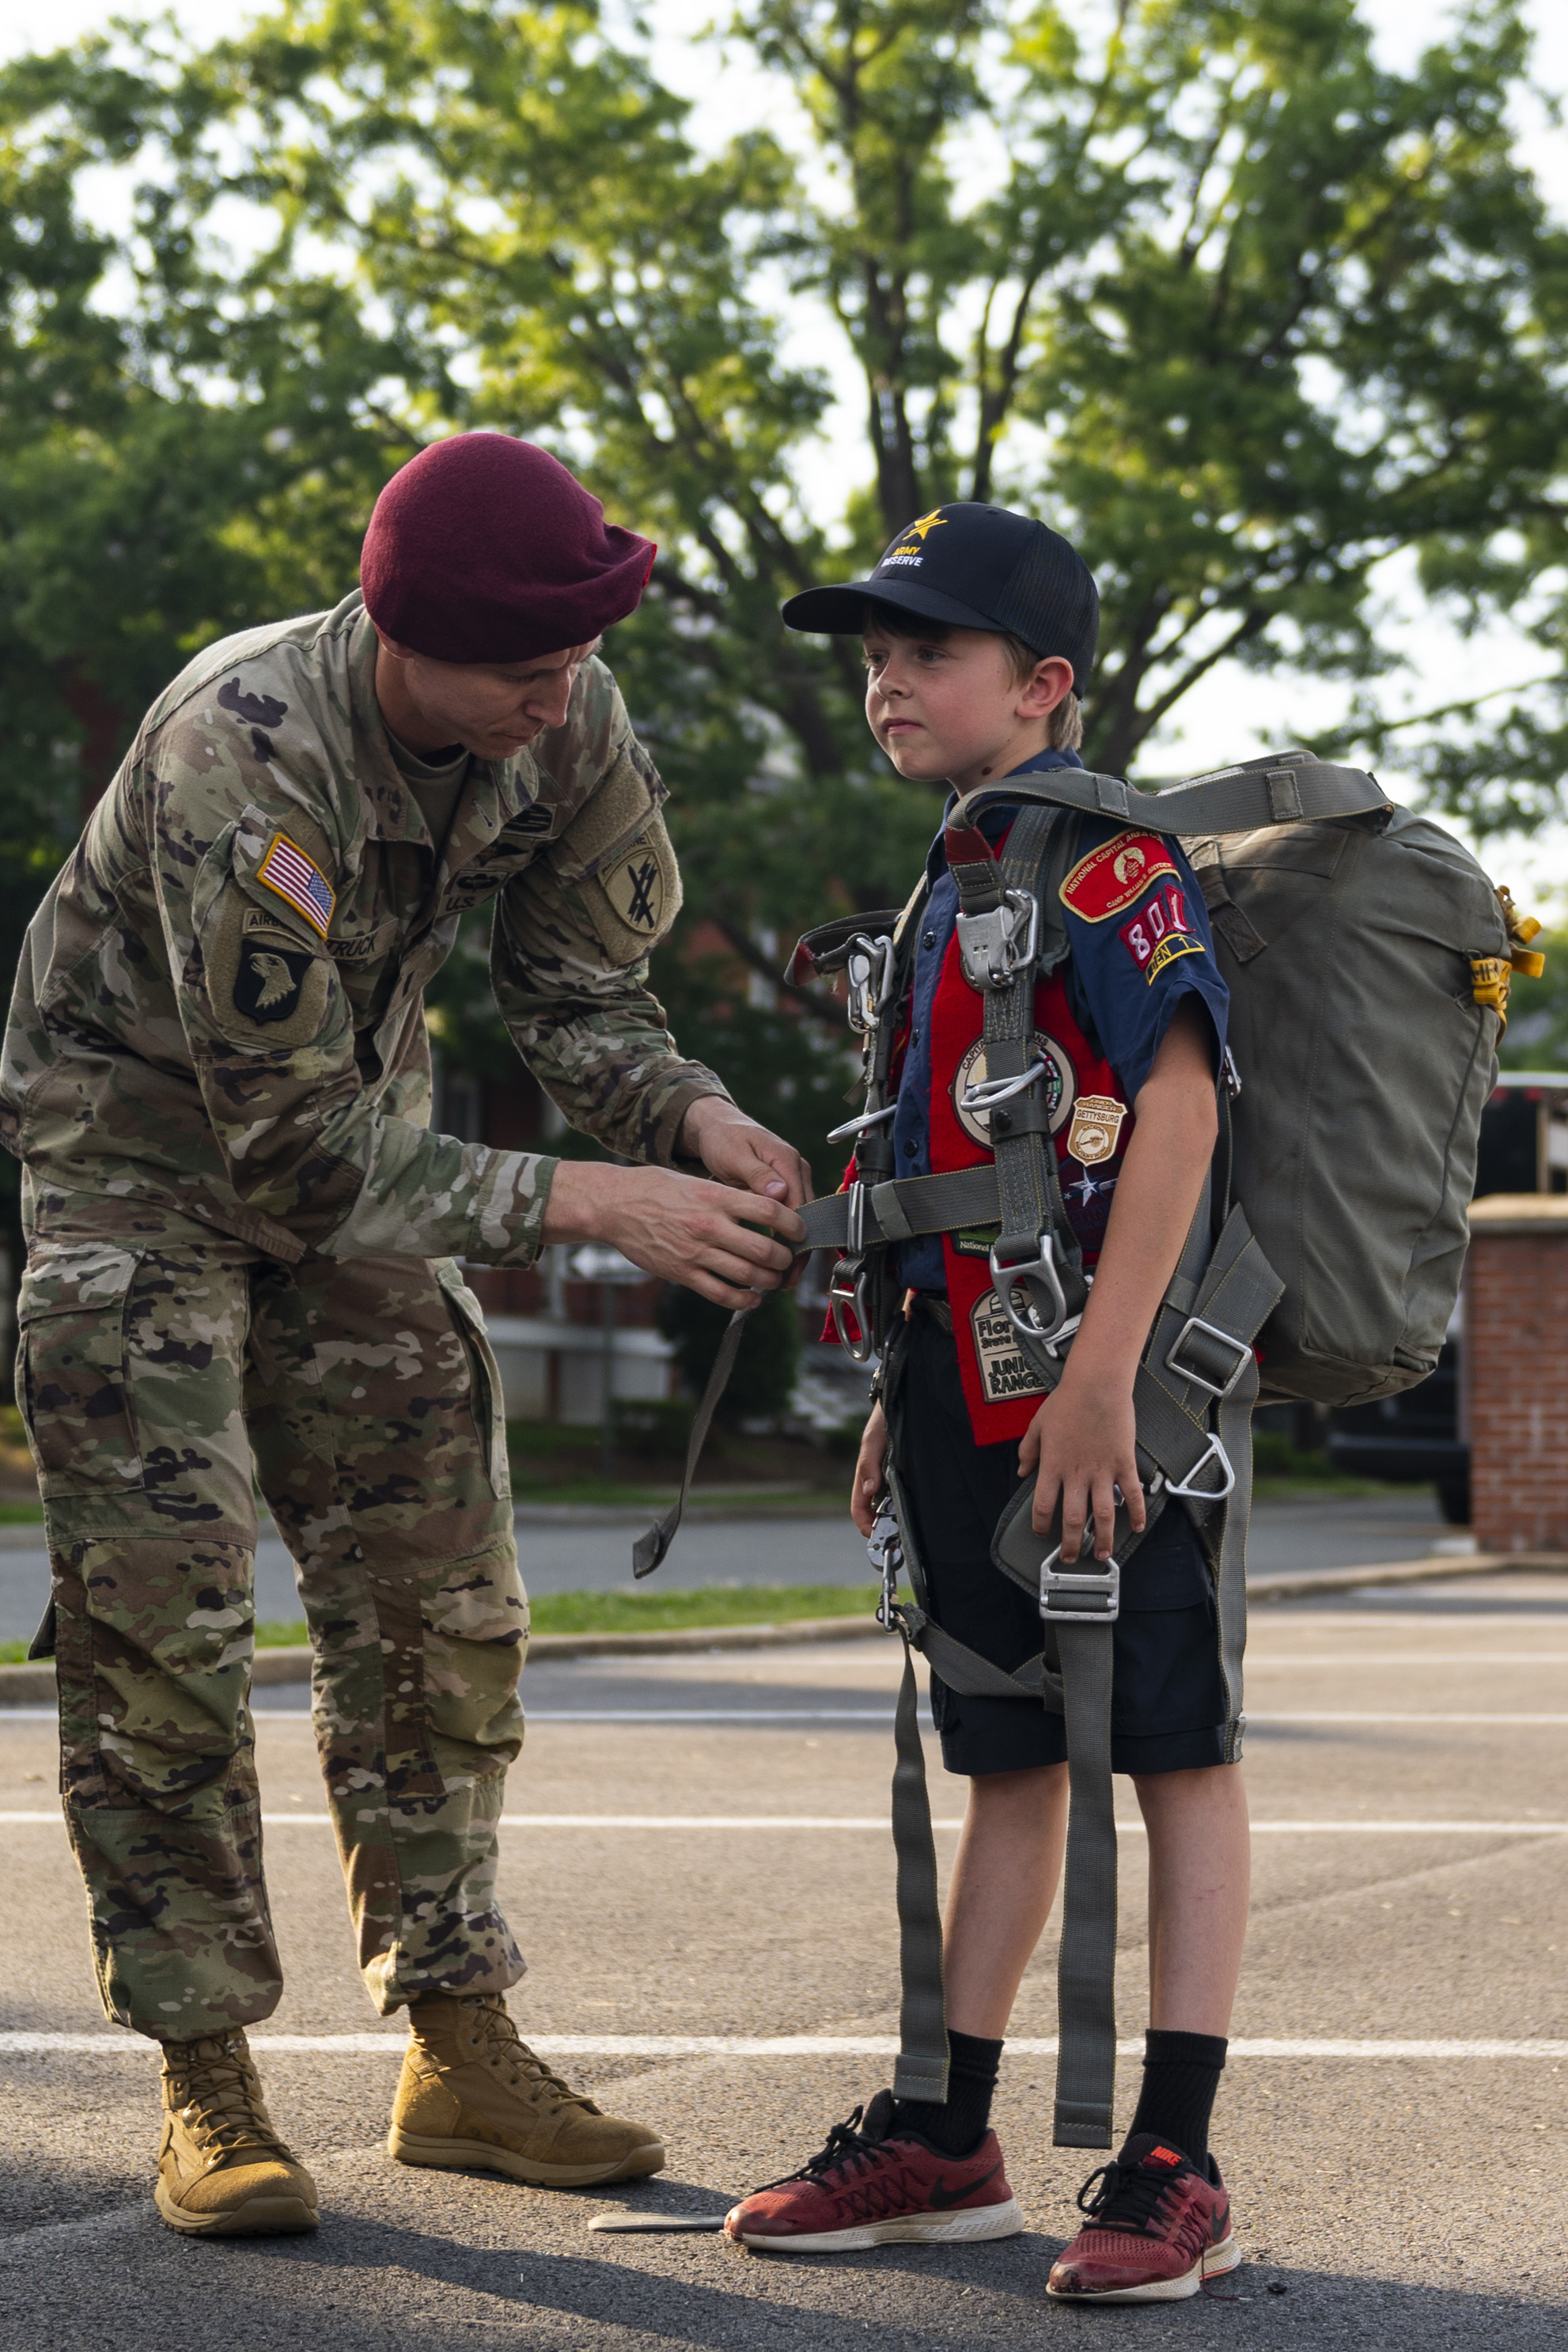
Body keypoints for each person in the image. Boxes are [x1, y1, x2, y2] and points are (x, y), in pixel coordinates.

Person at [0, 431, 809, 2239]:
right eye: (524, 673)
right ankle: (205, 2073)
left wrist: (684, 1118)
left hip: (366, 1152)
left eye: (575, 664)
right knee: (168, 1625)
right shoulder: (246, 749)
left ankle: (457, 2041)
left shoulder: (563, 717)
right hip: (143, 1173)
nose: (560, 700)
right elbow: (282, 1143)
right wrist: (591, 1203)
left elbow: (582, 989)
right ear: (400, 639)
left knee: (439, 1593)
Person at [722, 503, 1247, 2302]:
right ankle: (947, 2130)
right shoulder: (949, 881)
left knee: (1173, 1745)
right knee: (1006, 1747)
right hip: (957, 1394)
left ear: (1041, 686)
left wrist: (1106, 1373)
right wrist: (898, 1389)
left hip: (1112, 1393)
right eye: (873, 650)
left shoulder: (1107, 867)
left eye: (924, 650)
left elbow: (1174, 1108)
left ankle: (1172, 2151)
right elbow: (952, 1172)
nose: (885, 679)